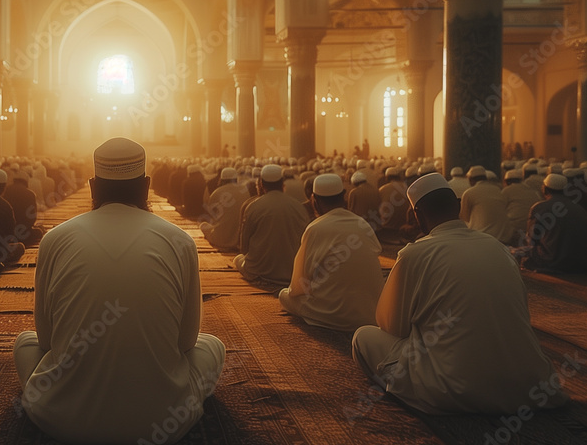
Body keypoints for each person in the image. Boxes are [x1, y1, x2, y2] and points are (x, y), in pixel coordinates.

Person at [14, 138, 225, 445]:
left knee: (25, 343)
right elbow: (187, 340)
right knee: (212, 346)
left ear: (92, 187)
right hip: (165, 422)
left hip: (59, 419)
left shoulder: (55, 239)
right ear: (146, 186)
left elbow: (46, 340)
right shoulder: (180, 241)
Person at [351, 173, 568, 415]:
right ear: (458, 206)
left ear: (417, 215)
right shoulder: (499, 248)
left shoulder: (414, 254)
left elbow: (390, 326)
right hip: (529, 385)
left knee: (362, 337)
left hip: (453, 388)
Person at [279, 174, 383, 331]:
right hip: (369, 314)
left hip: (332, 314)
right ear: (344, 198)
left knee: (284, 296)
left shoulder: (315, 228)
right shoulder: (363, 224)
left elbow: (298, 286)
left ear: (315, 201)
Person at [232, 165, 309, 288]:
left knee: (238, 259)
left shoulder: (253, 206)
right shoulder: (298, 206)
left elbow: (244, 247)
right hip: (292, 272)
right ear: (283, 183)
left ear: (261, 184)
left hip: (259, 272)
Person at [520, 174, 587, 274]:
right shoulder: (578, 208)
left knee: (523, 252)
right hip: (579, 260)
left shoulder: (539, 207)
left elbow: (532, 239)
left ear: (545, 189)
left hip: (551, 260)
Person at [199, 167, 250, 251]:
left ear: (222, 179)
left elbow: (211, 216)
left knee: (203, 225)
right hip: (239, 241)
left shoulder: (217, 192)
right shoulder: (245, 191)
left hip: (220, 239)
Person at [459, 166, 513, 244]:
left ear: (471, 180)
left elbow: (464, 217)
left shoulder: (469, 193)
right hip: (503, 236)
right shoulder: (498, 190)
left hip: (482, 238)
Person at [3, 169, 44, 246]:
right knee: (39, 232)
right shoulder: (30, 194)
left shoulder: (5, 191)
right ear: (26, 181)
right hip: (24, 232)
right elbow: (32, 218)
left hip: (7, 233)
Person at [502, 168, 542, 246]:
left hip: (515, 230)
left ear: (507, 181)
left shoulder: (506, 191)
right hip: (533, 228)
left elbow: (501, 209)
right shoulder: (532, 190)